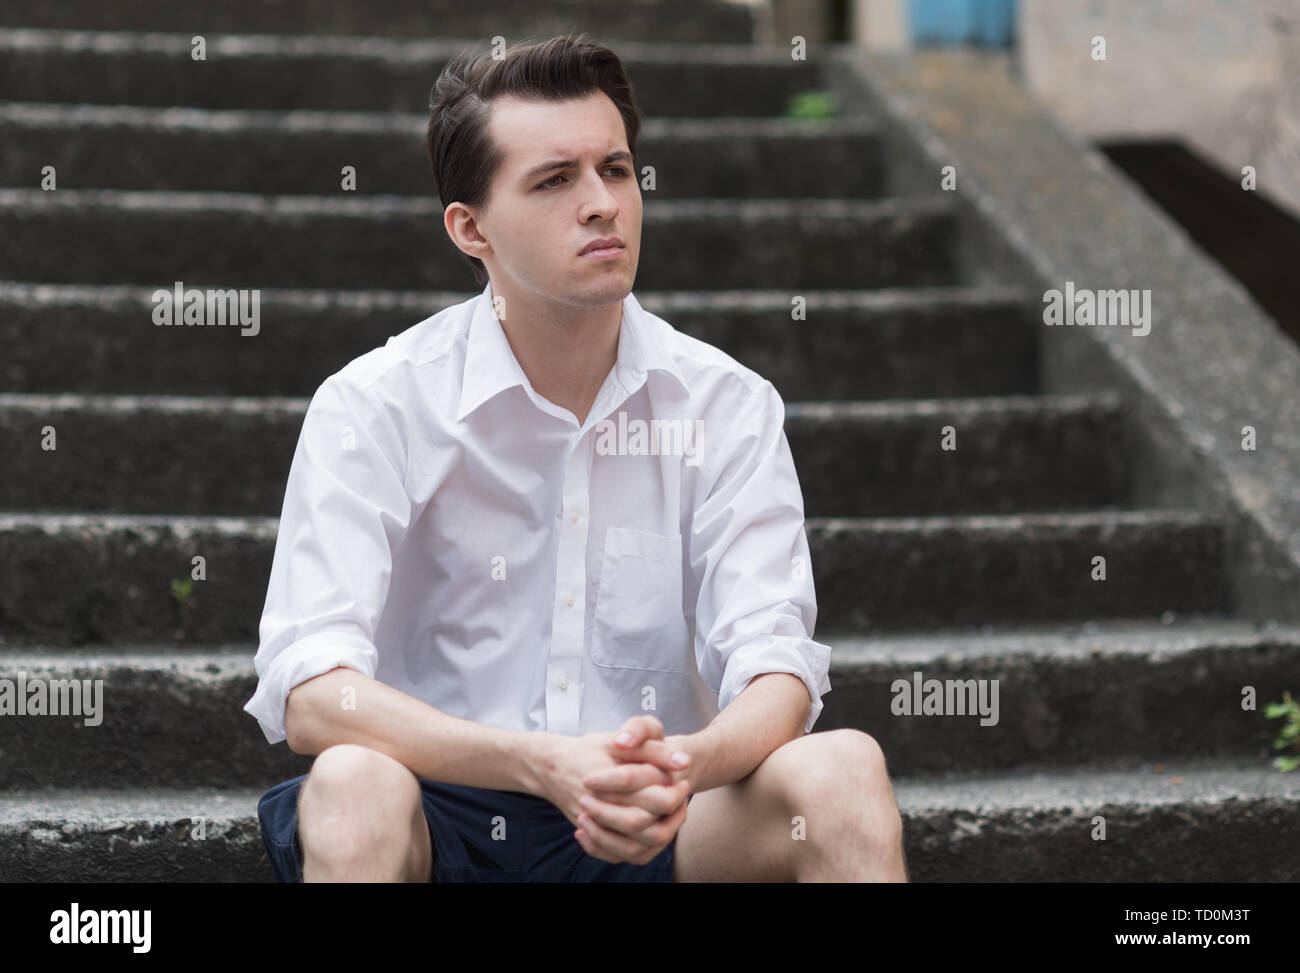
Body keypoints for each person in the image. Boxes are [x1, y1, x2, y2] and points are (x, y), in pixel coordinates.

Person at [244, 32, 907, 883]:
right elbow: (311, 693)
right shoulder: (374, 403)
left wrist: (681, 770)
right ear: (470, 228)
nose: (602, 203)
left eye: (617, 170)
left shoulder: (724, 404)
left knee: (840, 769)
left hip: (657, 818)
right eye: (556, 180)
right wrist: (536, 763)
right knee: (350, 780)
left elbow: (776, 664)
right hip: (447, 816)